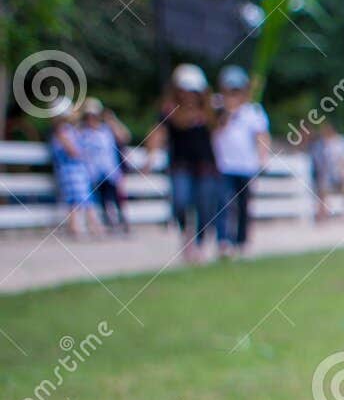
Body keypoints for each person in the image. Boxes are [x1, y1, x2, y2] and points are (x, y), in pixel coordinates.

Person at [145, 64, 220, 263]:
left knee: (206, 206)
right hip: (180, 165)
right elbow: (157, 134)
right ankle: (187, 237)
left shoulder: (211, 111)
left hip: (206, 166)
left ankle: (200, 243)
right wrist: (151, 155)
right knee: (180, 201)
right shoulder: (169, 112)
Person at [212, 66, 270, 257]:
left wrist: (263, 157)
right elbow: (214, 130)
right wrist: (227, 111)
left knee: (243, 205)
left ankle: (241, 241)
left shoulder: (253, 111)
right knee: (222, 203)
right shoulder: (217, 108)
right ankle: (223, 241)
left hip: (246, 166)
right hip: (222, 165)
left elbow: (262, 136)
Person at [48, 102, 100, 238]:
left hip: (74, 168)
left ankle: (86, 228)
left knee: (80, 199)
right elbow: (73, 151)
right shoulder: (61, 131)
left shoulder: (66, 129)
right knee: (78, 200)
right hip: (70, 168)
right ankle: (85, 228)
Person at [79, 98, 130, 234]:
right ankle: (109, 224)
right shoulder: (83, 133)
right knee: (102, 201)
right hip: (94, 173)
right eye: (88, 116)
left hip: (111, 171)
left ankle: (122, 222)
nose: (91, 119)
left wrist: (112, 120)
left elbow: (124, 136)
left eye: (94, 115)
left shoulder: (106, 130)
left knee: (117, 199)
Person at [311, 122, 344, 222]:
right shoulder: (320, 145)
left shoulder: (343, 143)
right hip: (328, 175)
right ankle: (322, 218)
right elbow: (318, 162)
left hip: (342, 174)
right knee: (322, 195)